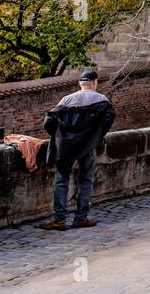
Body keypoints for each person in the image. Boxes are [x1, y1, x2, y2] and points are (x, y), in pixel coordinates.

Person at [40, 70, 117, 230]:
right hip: (88, 146)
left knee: (61, 180)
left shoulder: (66, 99)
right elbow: (109, 118)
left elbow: (48, 121)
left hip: (65, 146)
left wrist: (62, 135)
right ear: (95, 82)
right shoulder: (101, 100)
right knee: (86, 180)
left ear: (79, 84)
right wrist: (95, 135)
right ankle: (80, 218)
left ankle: (59, 219)